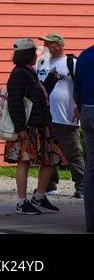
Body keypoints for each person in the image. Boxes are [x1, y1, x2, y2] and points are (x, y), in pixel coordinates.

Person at [4, 37, 62, 215]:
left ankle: (39, 196)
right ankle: (22, 201)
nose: (37, 56)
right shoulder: (20, 73)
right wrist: (20, 127)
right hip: (28, 127)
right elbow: (14, 101)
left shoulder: (29, 72)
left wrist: (51, 80)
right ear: (28, 54)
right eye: (35, 53)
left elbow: (37, 95)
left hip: (41, 125)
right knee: (24, 161)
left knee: (50, 159)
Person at [38, 33, 84, 199]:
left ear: (59, 45)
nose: (45, 47)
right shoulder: (41, 63)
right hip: (46, 117)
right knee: (48, 152)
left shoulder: (72, 63)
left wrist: (79, 107)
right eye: (45, 43)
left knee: (72, 151)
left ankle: (82, 186)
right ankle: (50, 185)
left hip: (67, 116)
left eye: (49, 44)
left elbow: (82, 87)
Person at [73, 41, 94, 233]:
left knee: (91, 168)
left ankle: (91, 221)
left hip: (87, 111)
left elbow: (76, 90)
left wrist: (80, 109)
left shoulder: (85, 56)